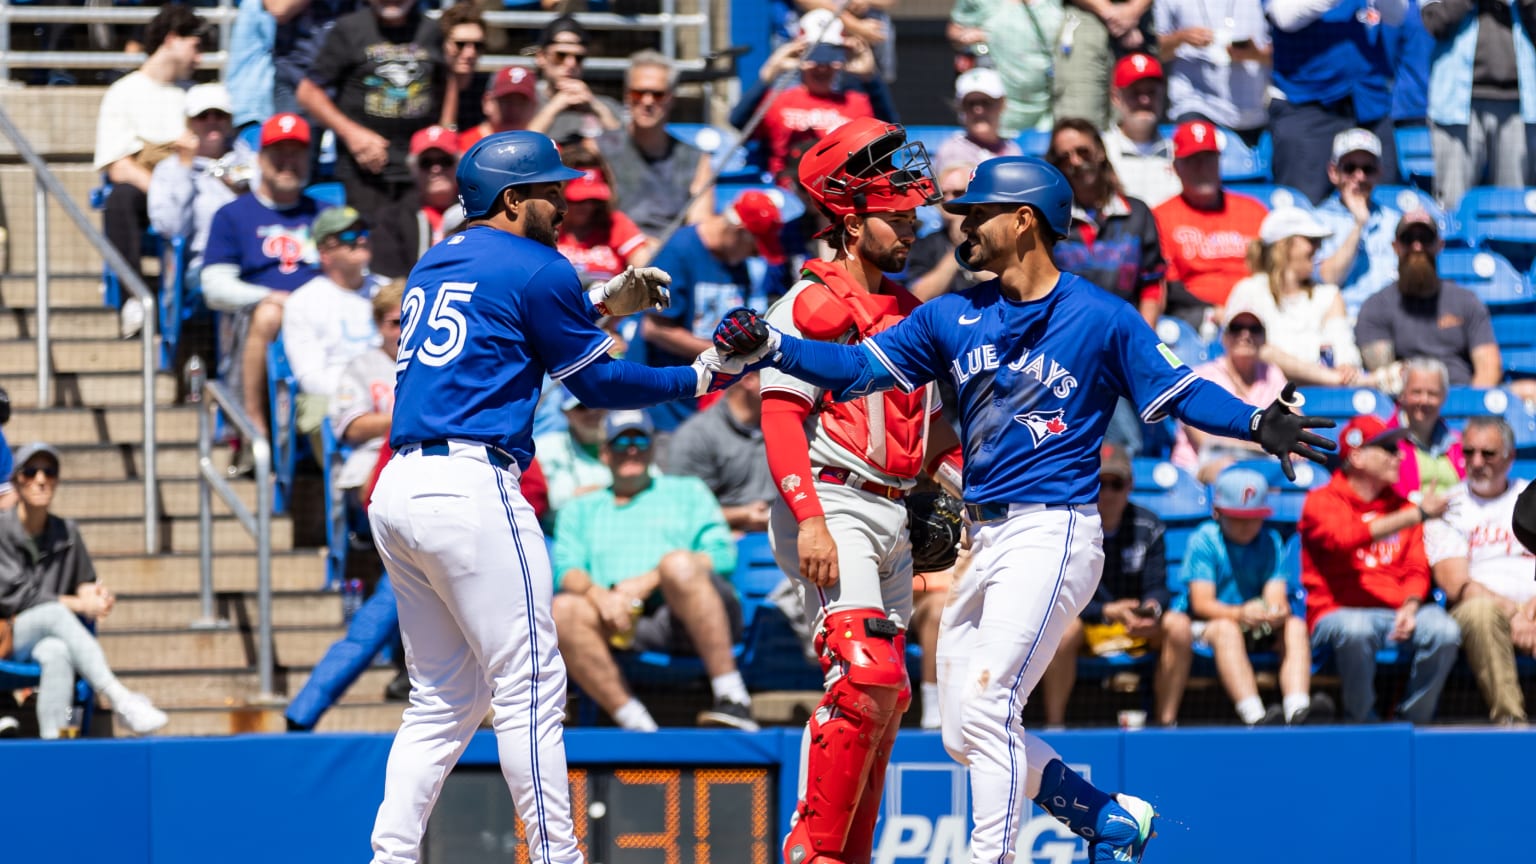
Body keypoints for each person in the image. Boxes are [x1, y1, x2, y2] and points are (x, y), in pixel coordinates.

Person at [712, 155, 1335, 864]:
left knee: (987, 706)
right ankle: (1105, 817)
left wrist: (1254, 422)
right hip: (984, 537)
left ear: (1023, 220)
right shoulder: (951, 315)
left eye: (978, 215)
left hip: (1053, 527)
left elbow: (1180, 389)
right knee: (961, 731)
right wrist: (776, 347)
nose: (963, 228)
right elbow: (855, 369)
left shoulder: (1100, 316)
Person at [364, 129, 741, 864]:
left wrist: (598, 300)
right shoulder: (540, 266)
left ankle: (391, 856)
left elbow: (507, 325)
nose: (563, 204)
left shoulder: (434, 261)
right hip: (471, 484)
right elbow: (596, 382)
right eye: (548, 191)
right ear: (512, 199)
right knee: (531, 688)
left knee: (441, 701)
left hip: (400, 486)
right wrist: (699, 375)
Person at [757, 118, 965, 864]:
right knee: (865, 675)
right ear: (851, 222)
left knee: (888, 699)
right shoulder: (809, 304)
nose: (912, 230)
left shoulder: (908, 312)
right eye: (898, 218)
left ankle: (848, 857)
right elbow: (780, 415)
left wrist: (967, 494)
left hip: (895, 512)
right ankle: (810, 852)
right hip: (832, 498)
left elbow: (931, 430)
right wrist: (809, 520)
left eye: (913, 218)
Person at [550, 410, 756, 733]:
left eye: (640, 441)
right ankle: (635, 723)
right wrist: (601, 597)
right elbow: (566, 569)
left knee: (678, 564)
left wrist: (649, 580)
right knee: (563, 608)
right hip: (622, 622)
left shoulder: (687, 491)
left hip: (696, 614)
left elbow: (722, 555)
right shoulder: (580, 508)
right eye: (621, 443)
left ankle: (732, 697)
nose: (631, 450)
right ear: (605, 453)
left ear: (651, 449)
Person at [1299, 414, 1461, 724]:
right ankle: (1363, 722)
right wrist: (1416, 515)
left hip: (1397, 612)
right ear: (1357, 456)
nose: (1399, 456)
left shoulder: (1402, 507)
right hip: (1338, 612)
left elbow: (1416, 567)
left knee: (1445, 630)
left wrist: (1411, 606)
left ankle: (1412, 720)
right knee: (1355, 629)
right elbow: (1343, 538)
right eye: (1388, 449)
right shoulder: (1322, 502)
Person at [0, 443, 168, 739]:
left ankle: (53, 742)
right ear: (17, 480)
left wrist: (96, 597)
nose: (41, 480)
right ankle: (119, 697)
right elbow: (17, 595)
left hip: (46, 637)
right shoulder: (2, 530)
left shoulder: (67, 532)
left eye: (49, 472)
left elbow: (85, 581)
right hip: (9, 635)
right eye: (31, 472)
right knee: (54, 613)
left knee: (58, 652)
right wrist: (79, 605)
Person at [1040, 443, 1192, 728]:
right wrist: (1107, 611)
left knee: (1179, 626)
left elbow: (1158, 586)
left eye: (1116, 484)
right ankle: (1055, 724)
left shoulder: (1149, 525)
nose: (1107, 493)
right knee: (1063, 629)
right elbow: (1060, 594)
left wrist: (1151, 609)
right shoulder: (1069, 527)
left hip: (1136, 624)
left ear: (1129, 485)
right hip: (1087, 623)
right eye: (1100, 483)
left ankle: (1166, 723)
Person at [201, 112, 322, 440]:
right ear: (260, 158)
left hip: (321, 316)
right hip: (260, 319)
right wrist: (271, 297)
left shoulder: (325, 214)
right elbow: (214, 286)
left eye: (296, 152)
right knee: (269, 314)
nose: (288, 161)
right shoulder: (233, 215)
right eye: (278, 152)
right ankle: (251, 422)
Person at [92, 3, 205, 336]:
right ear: (171, 39)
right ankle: (134, 298)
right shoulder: (123, 92)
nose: (199, 58)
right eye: (195, 47)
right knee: (120, 198)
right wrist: (165, 191)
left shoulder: (197, 98)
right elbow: (119, 167)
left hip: (194, 189)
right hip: (148, 193)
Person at [1178, 467, 1319, 725]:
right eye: (1238, 518)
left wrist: (1276, 613)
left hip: (1253, 625)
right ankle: (1255, 715)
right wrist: (1241, 613)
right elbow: (1201, 604)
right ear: (1217, 512)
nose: (1247, 526)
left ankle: (1298, 709)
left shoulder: (1271, 540)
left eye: (1254, 518)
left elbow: (1276, 597)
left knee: (1295, 626)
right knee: (1226, 630)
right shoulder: (1205, 538)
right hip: (1206, 627)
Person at [640, 190, 790, 431]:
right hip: (669, 400)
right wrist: (727, 354)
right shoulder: (680, 250)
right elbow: (653, 329)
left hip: (711, 398)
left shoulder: (737, 263)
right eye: (754, 247)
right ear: (739, 231)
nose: (755, 255)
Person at [297, 0, 444, 232]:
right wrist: (352, 134)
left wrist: (444, 134)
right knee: (371, 247)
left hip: (421, 171)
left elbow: (448, 83)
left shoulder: (432, 30)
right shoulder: (349, 29)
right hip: (365, 172)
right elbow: (308, 92)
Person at [1426, 416, 1536, 724]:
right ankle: (1511, 720)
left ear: (1510, 457)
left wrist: (1532, 611)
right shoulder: (1449, 505)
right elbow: (1455, 583)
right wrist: (1515, 614)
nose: (1476, 462)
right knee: (1480, 613)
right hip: (1482, 607)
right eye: (1469, 452)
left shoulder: (1530, 498)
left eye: (1488, 453)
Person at [1266, 0, 1402, 204]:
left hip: (1368, 103)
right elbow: (1284, 16)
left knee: (1385, 205)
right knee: (1304, 209)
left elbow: (1396, 16)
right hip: (1305, 105)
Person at [732, 11, 891, 179]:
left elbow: (889, 133)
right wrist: (770, 71)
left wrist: (870, 78)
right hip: (788, 187)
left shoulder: (856, 102)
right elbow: (738, 122)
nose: (822, 67)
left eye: (829, 58)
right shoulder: (778, 100)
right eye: (814, 57)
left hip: (840, 187)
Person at [1355, 210, 1505, 388]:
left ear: (1439, 245)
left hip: (1462, 395)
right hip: (1409, 398)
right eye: (1408, 239)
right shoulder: (1376, 306)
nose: (1417, 247)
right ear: (1395, 247)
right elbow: (1384, 374)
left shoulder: (1466, 301)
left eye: (1425, 238)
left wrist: (1470, 403)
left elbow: (1489, 369)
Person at [1224, 206, 1364, 385]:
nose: (1319, 248)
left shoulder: (1328, 295)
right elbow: (1253, 349)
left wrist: (1345, 366)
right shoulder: (1249, 290)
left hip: (1325, 394)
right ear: (1284, 245)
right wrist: (1326, 377)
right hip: (1266, 394)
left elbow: (1344, 350)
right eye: (1312, 240)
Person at [1152, 119, 1270, 330]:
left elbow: (1274, 270)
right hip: (1197, 316)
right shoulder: (1161, 217)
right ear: (1176, 167)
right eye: (1192, 160)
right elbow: (1169, 287)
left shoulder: (1254, 210)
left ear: (1219, 161)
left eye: (1208, 158)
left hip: (1257, 311)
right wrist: (1215, 311)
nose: (1202, 168)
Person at [280, 206, 381, 447]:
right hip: (336, 399)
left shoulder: (388, 291)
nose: (361, 240)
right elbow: (310, 377)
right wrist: (364, 394)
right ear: (324, 252)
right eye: (348, 235)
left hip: (389, 392)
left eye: (363, 233)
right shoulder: (303, 302)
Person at [1422, 0, 1536, 208]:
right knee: (1452, 204)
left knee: (1513, 208)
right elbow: (1435, 22)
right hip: (1454, 106)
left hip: (1520, 106)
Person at [598, 50, 715, 237]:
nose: (647, 101)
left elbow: (699, 229)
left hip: (670, 250)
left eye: (658, 94)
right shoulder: (599, 151)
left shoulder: (696, 159)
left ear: (671, 99)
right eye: (638, 93)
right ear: (627, 96)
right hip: (618, 246)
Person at [147, 83, 255, 277]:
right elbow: (172, 228)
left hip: (255, 257)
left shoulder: (252, 161)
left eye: (219, 114)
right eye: (202, 116)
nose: (212, 121)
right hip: (204, 264)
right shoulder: (169, 170)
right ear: (188, 123)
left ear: (230, 120)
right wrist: (184, 169)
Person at [1170, 310, 1290, 483]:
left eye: (1254, 329)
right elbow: (1206, 442)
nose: (1245, 335)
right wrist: (1269, 443)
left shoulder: (1272, 374)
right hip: (1200, 469)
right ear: (1224, 337)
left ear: (1264, 338)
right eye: (1237, 328)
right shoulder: (1201, 376)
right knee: (1230, 473)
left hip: (1261, 466)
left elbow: (1297, 422)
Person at [665, 371, 776, 533]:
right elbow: (683, 510)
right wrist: (741, 515)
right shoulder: (696, 435)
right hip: (724, 536)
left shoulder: (790, 425)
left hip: (786, 533)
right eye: (780, 376)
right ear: (749, 380)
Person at [1313, 128, 1405, 313]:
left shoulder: (1395, 222)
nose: (1360, 176)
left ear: (1379, 173)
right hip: (1342, 318)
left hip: (1388, 319)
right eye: (1350, 168)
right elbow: (1328, 278)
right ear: (1333, 172)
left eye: (1368, 169)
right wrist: (1359, 224)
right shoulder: (1317, 222)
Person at [1154, 0, 1272, 140]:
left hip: (1254, 112)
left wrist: (1257, 55)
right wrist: (1180, 38)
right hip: (1196, 103)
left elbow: (1289, 56)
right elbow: (1154, 51)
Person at [946, 0, 1064, 133]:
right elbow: (955, 31)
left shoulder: (1054, 5)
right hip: (999, 115)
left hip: (1050, 110)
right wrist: (971, 35)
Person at [372, 125, 465, 278]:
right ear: (413, 168)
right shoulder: (392, 218)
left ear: (458, 165)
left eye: (445, 161)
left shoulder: (477, 212)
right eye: (426, 163)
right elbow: (388, 273)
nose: (436, 169)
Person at [527, 15, 622, 148]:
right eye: (560, 55)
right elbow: (522, 151)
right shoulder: (525, 103)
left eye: (579, 58)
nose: (571, 64)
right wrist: (553, 108)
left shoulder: (606, 106)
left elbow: (626, 154)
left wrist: (597, 108)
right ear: (541, 57)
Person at [1102, 53, 1183, 207]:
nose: (1145, 100)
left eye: (1152, 92)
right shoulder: (1101, 152)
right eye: (1135, 93)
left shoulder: (1179, 153)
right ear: (1116, 97)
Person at [905, 162, 990, 301]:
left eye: (958, 193)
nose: (949, 200)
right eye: (943, 194)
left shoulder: (993, 236)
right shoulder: (927, 243)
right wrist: (958, 252)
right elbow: (918, 297)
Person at [555, 166, 653, 284]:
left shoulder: (615, 222)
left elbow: (644, 268)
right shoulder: (550, 225)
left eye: (592, 200)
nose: (586, 206)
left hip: (608, 292)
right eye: (578, 200)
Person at [1384, 358, 1467, 497]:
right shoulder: (1387, 443)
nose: (1424, 400)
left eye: (1432, 393)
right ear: (1403, 395)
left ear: (1444, 397)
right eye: (1416, 392)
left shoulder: (1458, 444)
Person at [935, 68, 1025, 171]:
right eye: (970, 104)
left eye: (986, 102)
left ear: (1002, 104)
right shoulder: (953, 152)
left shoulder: (1012, 149)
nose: (978, 110)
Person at [458, 66, 540, 152]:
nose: (513, 109)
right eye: (506, 100)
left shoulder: (542, 150)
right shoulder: (462, 148)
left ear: (534, 107)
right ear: (487, 102)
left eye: (522, 102)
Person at [435, 1, 487, 134]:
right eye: (460, 44)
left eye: (477, 45)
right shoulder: (427, 87)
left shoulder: (490, 87)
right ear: (442, 44)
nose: (470, 53)